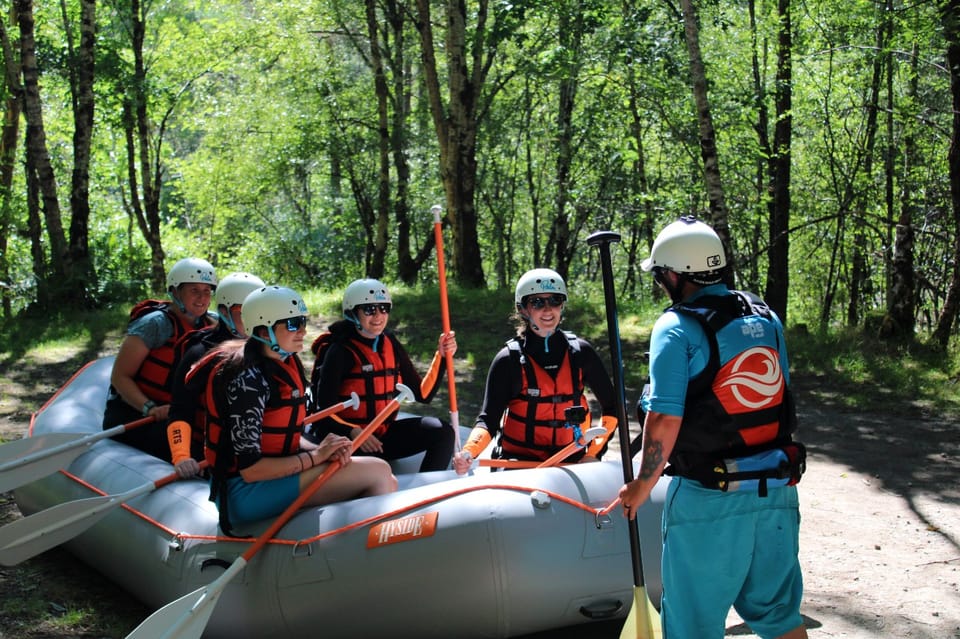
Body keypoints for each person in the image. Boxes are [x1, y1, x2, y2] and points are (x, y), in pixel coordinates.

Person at [618, 216, 808, 639]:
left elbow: (665, 418)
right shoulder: (766, 316)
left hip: (709, 499)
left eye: (660, 275)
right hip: (777, 491)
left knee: (692, 626)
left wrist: (642, 485)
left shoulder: (676, 327)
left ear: (673, 275)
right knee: (780, 615)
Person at [201, 285, 397, 535]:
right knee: (378, 471)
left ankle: (359, 545)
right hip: (244, 493)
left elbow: (287, 438)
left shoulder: (286, 361)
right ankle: (370, 548)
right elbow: (251, 470)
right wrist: (316, 457)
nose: (303, 331)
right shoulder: (247, 381)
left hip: (272, 480)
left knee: (388, 478)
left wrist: (323, 450)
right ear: (264, 330)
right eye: (293, 324)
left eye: (302, 321)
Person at [453, 268, 618, 474]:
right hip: (519, 464)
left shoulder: (581, 353)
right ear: (523, 309)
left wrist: (592, 453)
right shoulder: (508, 360)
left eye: (555, 301)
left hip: (571, 461)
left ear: (562, 305)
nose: (548, 310)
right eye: (537, 303)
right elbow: (488, 420)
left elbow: (613, 408)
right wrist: (469, 452)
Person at [307, 278, 457, 473]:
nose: (378, 316)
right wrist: (353, 431)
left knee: (442, 432)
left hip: (382, 437)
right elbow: (322, 415)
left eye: (384, 308)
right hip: (348, 442)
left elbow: (423, 394)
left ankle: (426, 491)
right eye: (369, 310)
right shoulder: (339, 351)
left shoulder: (390, 343)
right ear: (353, 313)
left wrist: (442, 356)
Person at [103, 257, 218, 461]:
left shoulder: (213, 324)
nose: (201, 298)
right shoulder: (155, 324)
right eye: (194, 290)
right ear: (175, 292)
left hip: (178, 416)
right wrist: (150, 408)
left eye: (207, 291)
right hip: (136, 414)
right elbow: (120, 376)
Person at [166, 271, 265, 478]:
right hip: (214, 453)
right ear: (224, 312)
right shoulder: (199, 353)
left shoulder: (270, 349)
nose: (254, 321)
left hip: (260, 449)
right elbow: (180, 410)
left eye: (259, 312)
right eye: (243, 313)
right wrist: (181, 456)